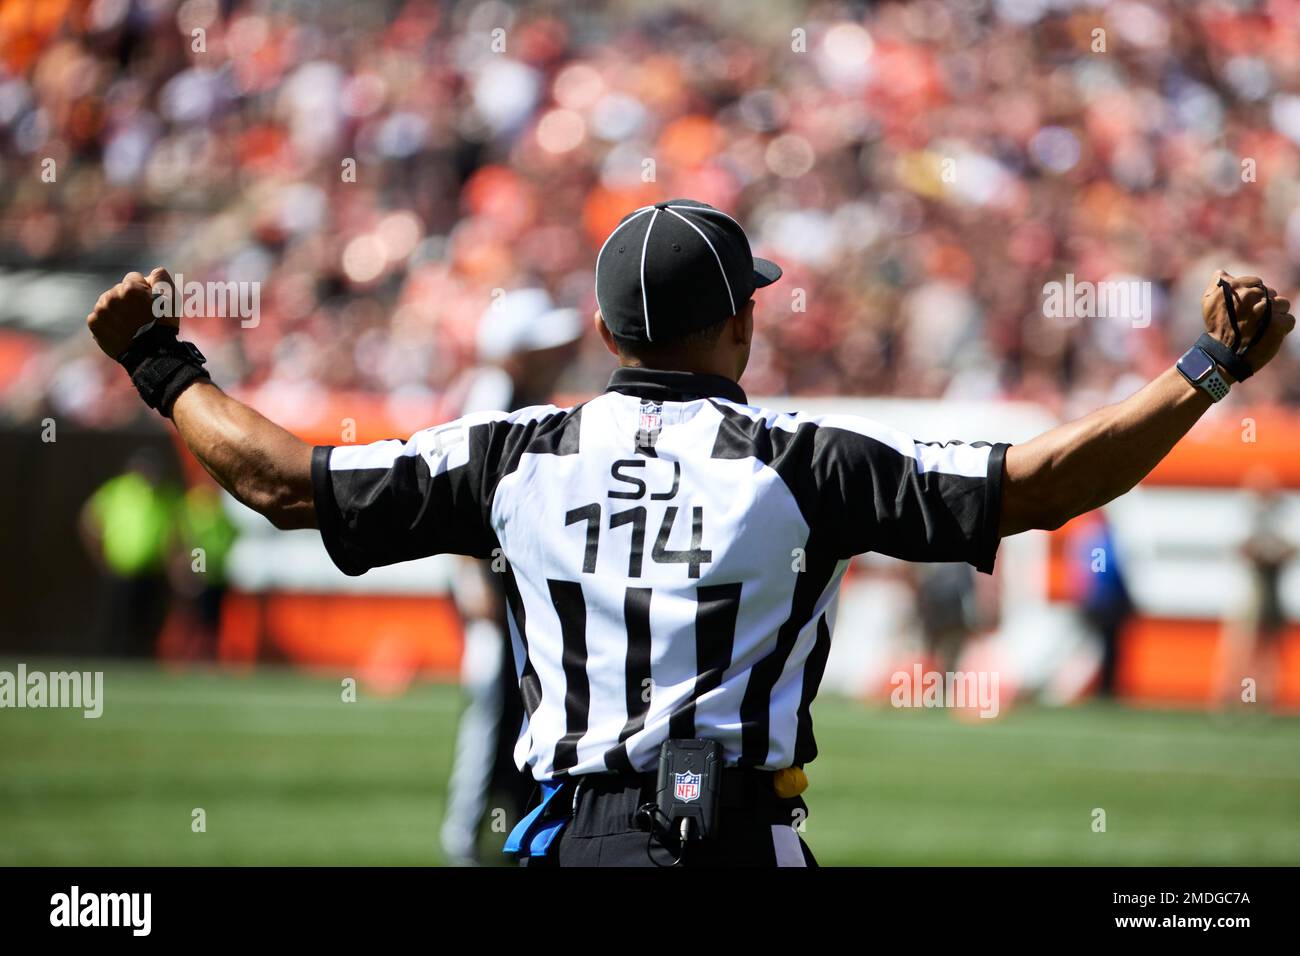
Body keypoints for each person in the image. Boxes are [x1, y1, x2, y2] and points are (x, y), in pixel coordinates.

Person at [84, 198, 1294, 867]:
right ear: (735, 329)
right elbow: (1040, 482)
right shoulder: (801, 459)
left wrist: (161, 361)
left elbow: (287, 480)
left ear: (609, 333)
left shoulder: (511, 452)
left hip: (570, 836)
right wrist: (1206, 368)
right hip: (736, 840)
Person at [440, 288, 584, 865]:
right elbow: (460, 500)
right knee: (492, 709)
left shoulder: (521, 396)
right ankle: (464, 837)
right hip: (490, 590)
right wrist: (473, 581)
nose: (558, 352)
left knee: (517, 709)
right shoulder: (493, 400)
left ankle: (513, 827)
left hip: (511, 587)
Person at [80, 447, 181, 657]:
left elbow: (175, 534)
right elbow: (89, 521)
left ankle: (141, 661)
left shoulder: (167, 495)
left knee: (148, 622)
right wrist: (101, 558)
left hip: (153, 571)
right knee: (115, 621)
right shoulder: (116, 490)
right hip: (121, 570)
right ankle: (109, 661)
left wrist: (175, 565)